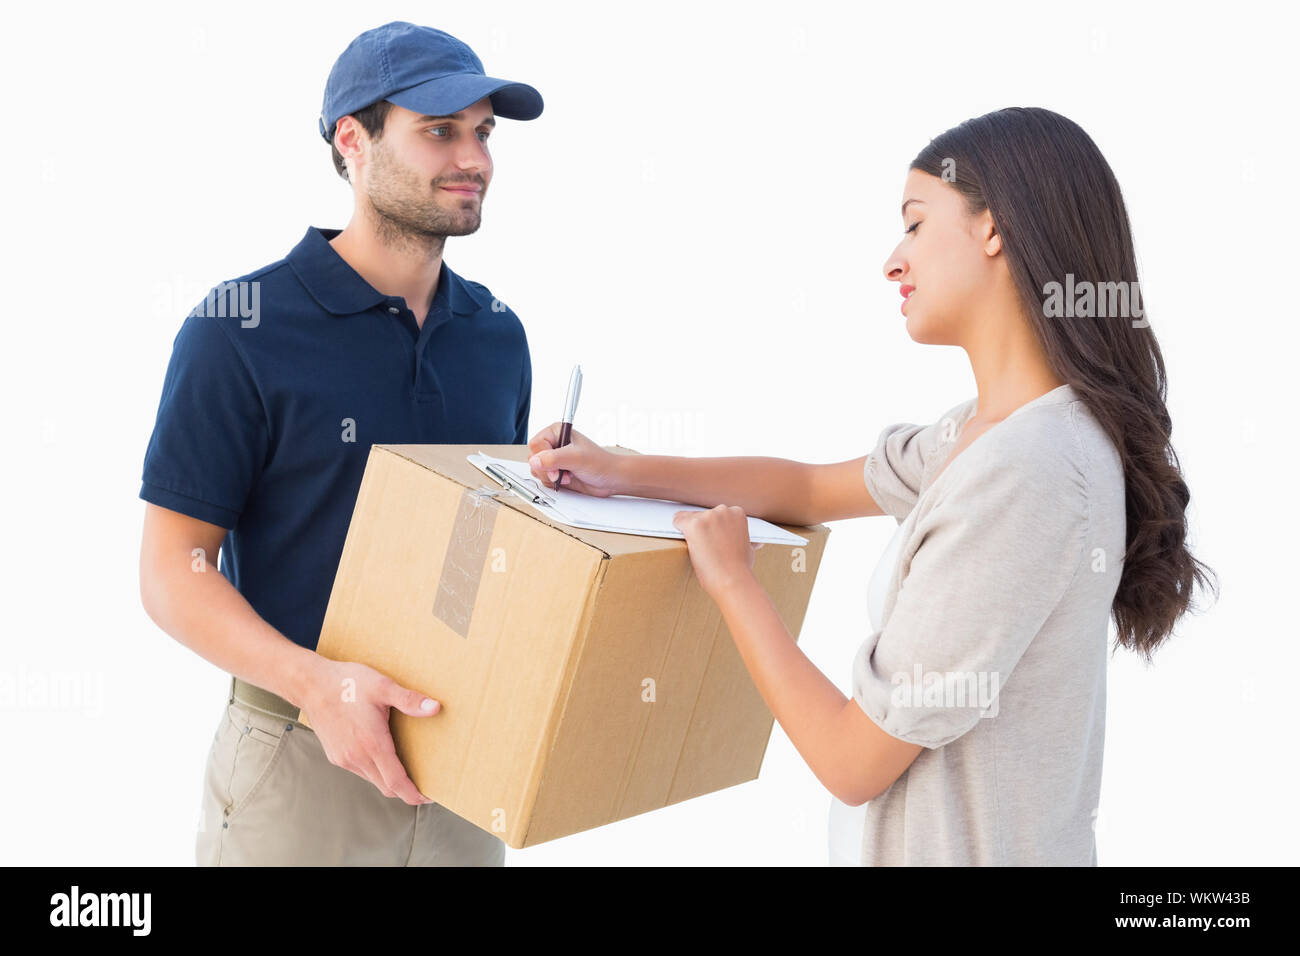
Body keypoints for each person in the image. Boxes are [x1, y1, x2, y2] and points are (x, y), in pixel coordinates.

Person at [525, 107, 1219, 866]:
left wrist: (734, 585)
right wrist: (620, 470)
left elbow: (852, 760)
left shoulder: (1027, 470)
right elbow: (812, 489)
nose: (893, 261)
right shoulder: (991, 434)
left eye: (916, 225)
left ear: (996, 228)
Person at [137, 21, 542, 866]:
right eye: (439, 131)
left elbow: (477, 558)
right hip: (298, 760)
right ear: (351, 142)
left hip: (461, 766)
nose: (474, 157)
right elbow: (173, 570)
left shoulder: (497, 335)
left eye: (483, 132)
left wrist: (555, 503)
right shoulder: (240, 328)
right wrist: (317, 684)